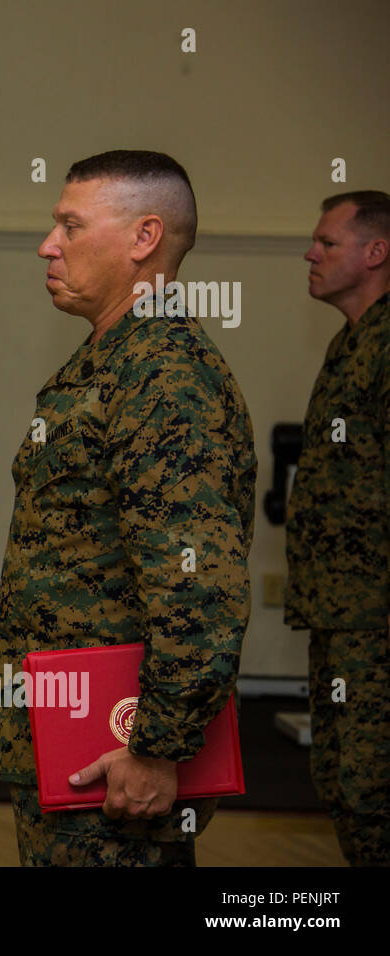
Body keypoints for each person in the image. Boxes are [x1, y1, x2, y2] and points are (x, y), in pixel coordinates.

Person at [0, 150, 256, 866]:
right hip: (73, 742)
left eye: (71, 226)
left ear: (145, 238)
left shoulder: (165, 377)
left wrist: (157, 748)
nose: (48, 245)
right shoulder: (112, 360)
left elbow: (197, 583)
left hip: (117, 758)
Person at [285, 190, 390, 866]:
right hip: (341, 610)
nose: (310, 253)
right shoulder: (350, 341)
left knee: (372, 785)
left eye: (327, 243)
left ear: (376, 252)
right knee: (342, 776)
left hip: (375, 619)